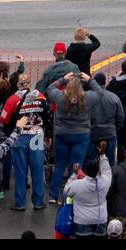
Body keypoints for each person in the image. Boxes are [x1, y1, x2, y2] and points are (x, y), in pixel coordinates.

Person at [1, 82, 48, 210]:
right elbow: (48, 114)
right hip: (37, 136)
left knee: (20, 171)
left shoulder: (13, 99)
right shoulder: (40, 96)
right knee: (38, 170)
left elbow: (3, 118)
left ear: (18, 85)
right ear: (29, 84)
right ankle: (38, 202)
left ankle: (20, 203)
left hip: (20, 136)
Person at [48, 73, 92, 204]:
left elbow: (50, 89)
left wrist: (62, 79)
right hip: (80, 135)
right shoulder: (86, 98)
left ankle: (53, 195)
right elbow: (100, 92)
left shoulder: (60, 97)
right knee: (76, 166)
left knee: (60, 165)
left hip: (62, 133)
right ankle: (71, 197)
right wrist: (90, 80)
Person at [64, 146, 113, 239]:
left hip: (82, 221)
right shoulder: (105, 181)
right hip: (100, 220)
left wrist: (74, 175)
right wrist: (102, 155)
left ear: (85, 171)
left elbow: (66, 192)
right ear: (99, 171)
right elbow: (107, 169)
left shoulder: (77, 185)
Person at [86, 74, 124, 170]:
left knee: (92, 165)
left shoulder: (86, 96)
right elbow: (120, 116)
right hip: (109, 133)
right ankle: (109, 183)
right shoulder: (114, 97)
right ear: (105, 82)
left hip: (91, 133)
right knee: (109, 164)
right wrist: (117, 127)